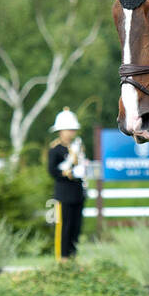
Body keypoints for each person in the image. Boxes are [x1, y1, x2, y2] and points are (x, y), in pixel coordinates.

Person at [48, 108, 86, 261]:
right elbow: (52, 171)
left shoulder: (78, 146)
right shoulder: (56, 149)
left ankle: (73, 257)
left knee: (76, 228)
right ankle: (62, 259)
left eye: (73, 129)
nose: (71, 132)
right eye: (68, 129)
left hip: (78, 193)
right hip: (64, 194)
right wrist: (67, 173)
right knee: (65, 227)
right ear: (60, 131)